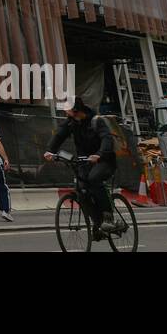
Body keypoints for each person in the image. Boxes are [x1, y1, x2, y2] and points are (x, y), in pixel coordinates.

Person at [42, 98, 121, 235]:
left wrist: (99, 154)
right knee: (81, 190)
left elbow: (106, 139)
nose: (65, 112)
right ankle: (99, 225)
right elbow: (59, 136)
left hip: (104, 161)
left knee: (94, 179)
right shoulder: (71, 123)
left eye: (67, 109)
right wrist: (50, 151)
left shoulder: (97, 121)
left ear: (76, 110)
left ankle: (108, 217)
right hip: (85, 161)